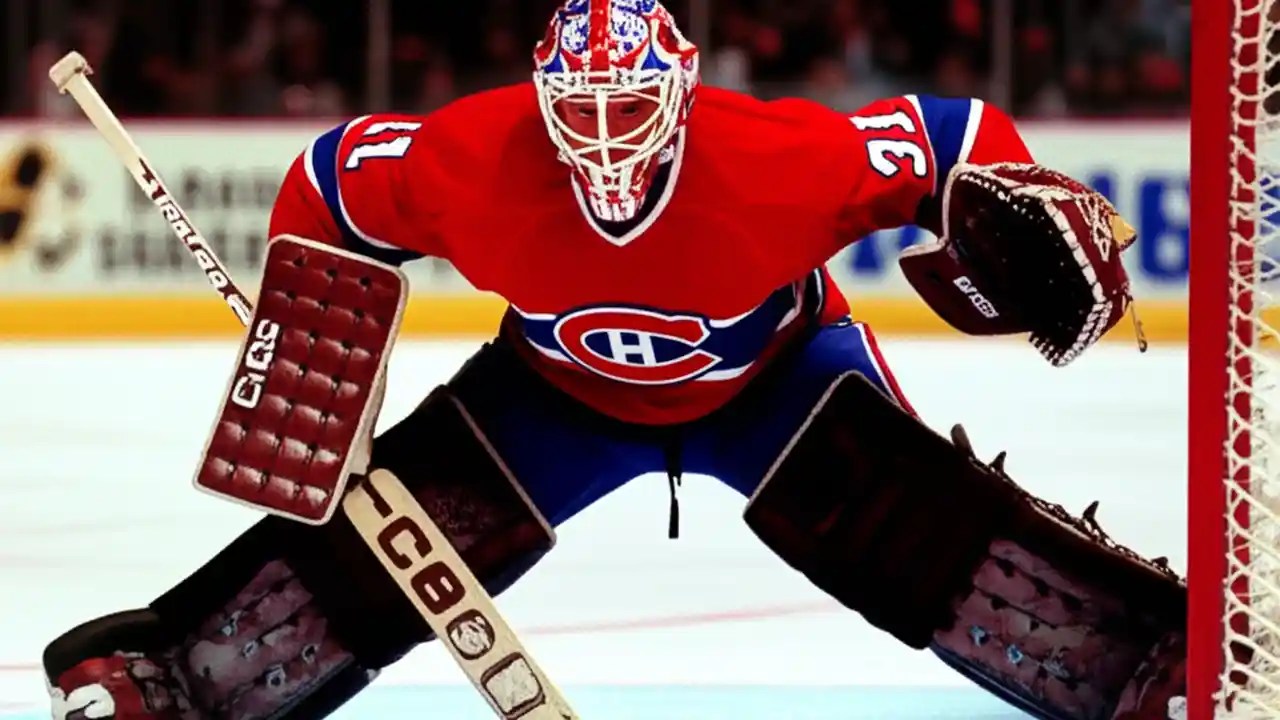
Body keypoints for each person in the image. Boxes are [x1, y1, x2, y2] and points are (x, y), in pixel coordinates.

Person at [41, 1, 1185, 718]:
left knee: (921, 537)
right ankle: (179, 685)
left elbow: (955, 138)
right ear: (539, 98)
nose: (600, 135)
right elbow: (334, 178)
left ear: (681, 92)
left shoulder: (779, 160)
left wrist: (1018, 198)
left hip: (773, 381)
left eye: (628, 105)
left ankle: (1141, 669)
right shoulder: (472, 160)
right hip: (555, 394)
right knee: (392, 553)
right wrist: (315, 350)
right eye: (574, 110)